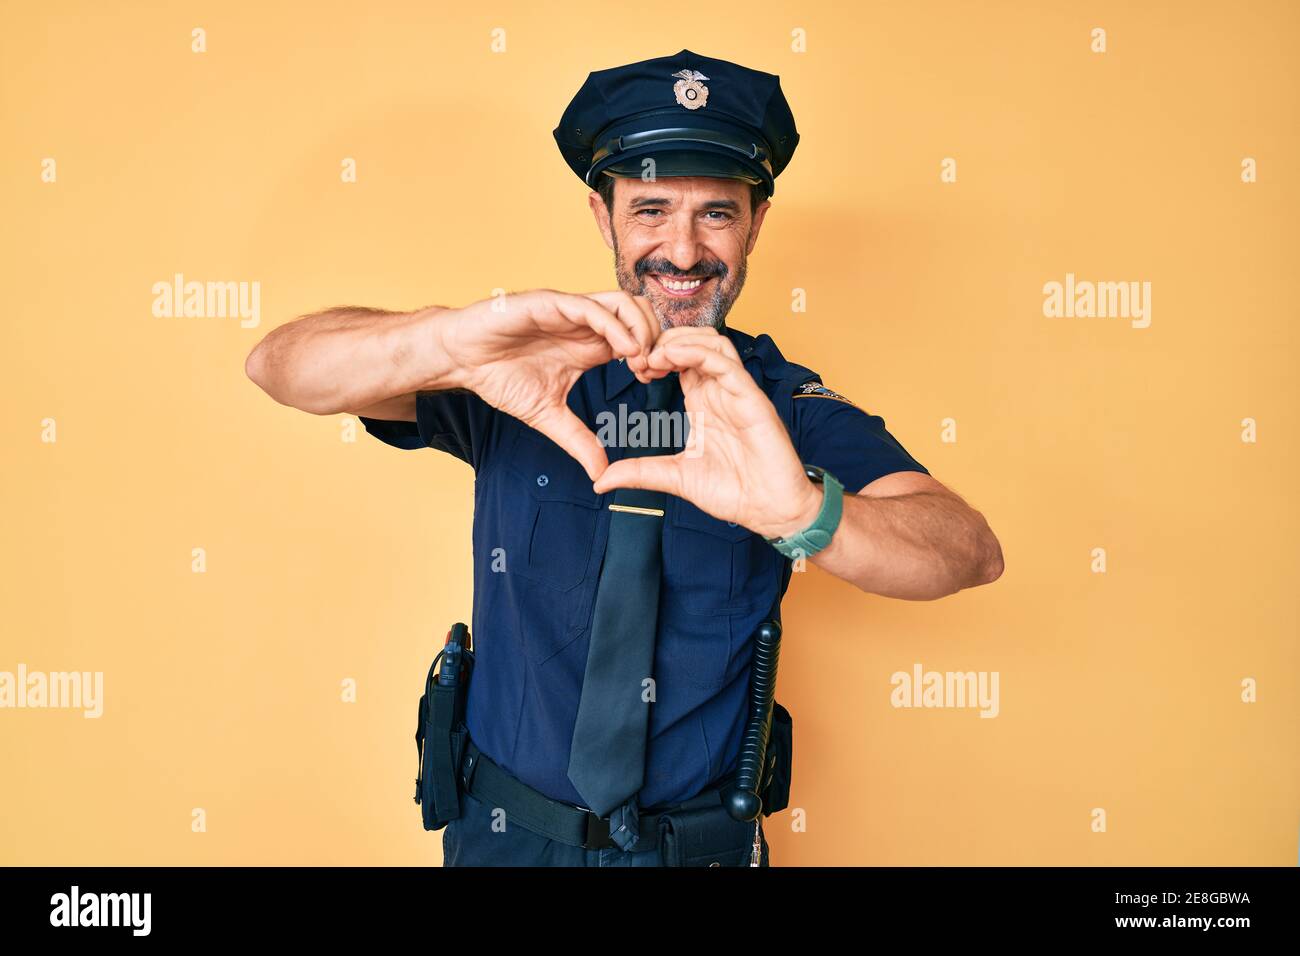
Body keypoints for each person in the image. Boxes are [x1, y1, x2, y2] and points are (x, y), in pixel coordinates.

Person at [244, 49, 1004, 867]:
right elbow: (281, 367)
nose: (682, 251)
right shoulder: (516, 371)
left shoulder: (782, 406)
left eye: (716, 212)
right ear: (604, 219)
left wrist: (806, 514)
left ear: (756, 225)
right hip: (503, 840)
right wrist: (451, 340)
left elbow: (966, 550)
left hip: (692, 851)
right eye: (649, 209)